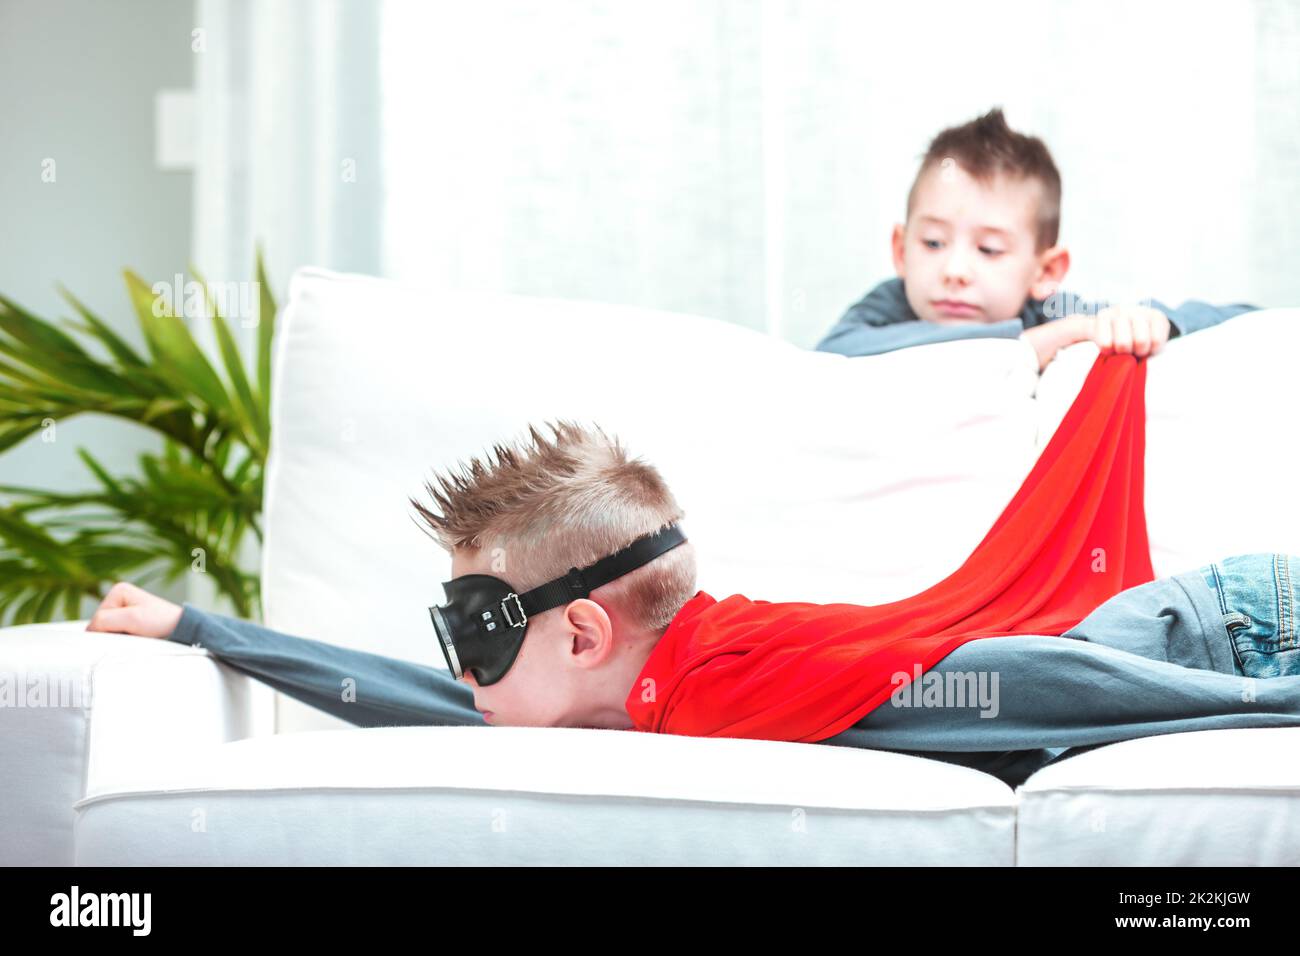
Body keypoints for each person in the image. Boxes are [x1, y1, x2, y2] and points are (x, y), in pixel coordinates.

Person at [87, 420, 1300, 788]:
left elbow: (1013, 682)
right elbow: (418, 709)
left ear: (576, 630)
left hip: (1233, 626)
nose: (458, 672)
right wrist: (203, 631)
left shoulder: (721, 683)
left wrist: (1261, 702)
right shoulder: (635, 696)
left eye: (471, 633)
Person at [813, 107, 1259, 369]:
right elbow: (835, 355)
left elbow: (1243, 319)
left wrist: (1156, 322)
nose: (954, 271)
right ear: (900, 251)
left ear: (1045, 271)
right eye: (932, 243)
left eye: (988, 250)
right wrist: (1026, 346)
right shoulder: (891, 306)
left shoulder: (1051, 312)